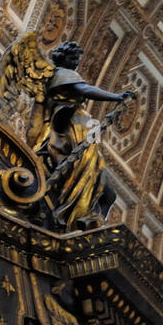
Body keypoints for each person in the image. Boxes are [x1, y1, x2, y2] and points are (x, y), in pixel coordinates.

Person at [41, 41, 134, 228]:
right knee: (78, 174)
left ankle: (94, 219)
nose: (76, 62)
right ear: (62, 57)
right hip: (69, 132)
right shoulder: (61, 74)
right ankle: (75, 215)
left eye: (77, 59)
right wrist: (116, 97)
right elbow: (84, 90)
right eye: (72, 57)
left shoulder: (82, 111)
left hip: (83, 130)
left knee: (108, 192)